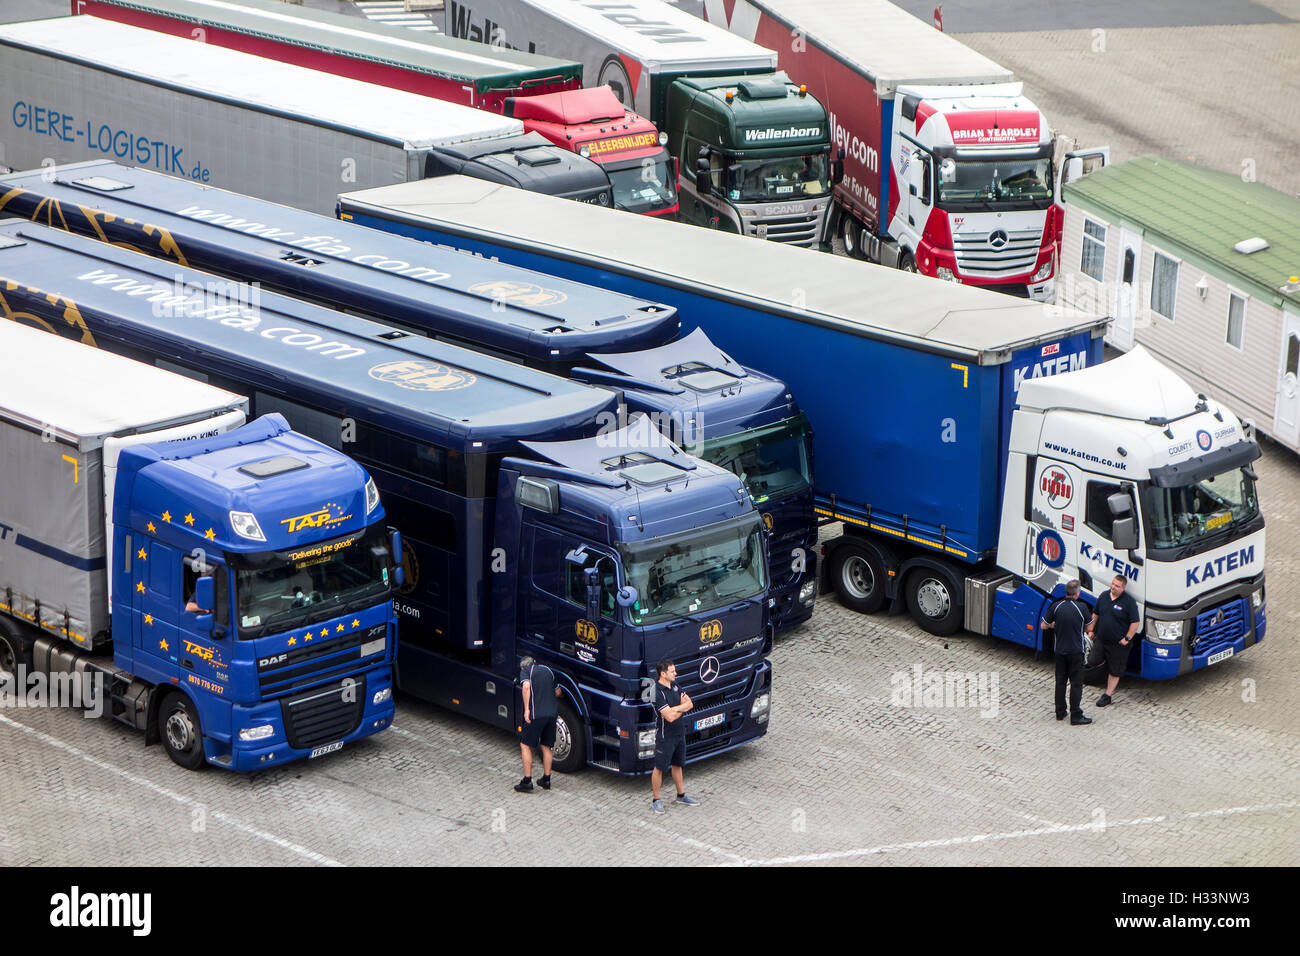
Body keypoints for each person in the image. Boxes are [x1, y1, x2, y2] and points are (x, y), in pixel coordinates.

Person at [650, 659, 699, 813]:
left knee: (678, 765)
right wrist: (681, 709)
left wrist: (675, 709)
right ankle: (656, 799)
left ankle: (681, 795)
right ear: (663, 674)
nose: (675, 673)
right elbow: (668, 717)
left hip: (679, 733)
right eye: (672, 671)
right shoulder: (656, 692)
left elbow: (690, 704)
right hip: (665, 736)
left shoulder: (675, 686)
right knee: (659, 768)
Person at [1041, 580, 1092, 725]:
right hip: (1076, 651)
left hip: (1060, 651)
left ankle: (1060, 712)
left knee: (1060, 682)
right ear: (1077, 593)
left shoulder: (1056, 606)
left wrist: (1054, 624)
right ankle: (1076, 715)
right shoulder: (1081, 607)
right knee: (1076, 683)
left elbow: (1043, 625)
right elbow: (1089, 628)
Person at [1087, 574, 1141, 706]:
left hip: (1118, 644)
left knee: (1115, 671)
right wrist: (1091, 630)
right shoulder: (1104, 596)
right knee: (1092, 660)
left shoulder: (1129, 602)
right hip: (1101, 639)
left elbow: (1135, 622)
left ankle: (1107, 695)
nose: (1113, 587)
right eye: (1112, 584)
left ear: (1123, 588)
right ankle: (1105, 664)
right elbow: (1096, 614)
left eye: (1117, 586)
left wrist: (1127, 638)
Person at [514, 655, 562, 793]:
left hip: (536, 715)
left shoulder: (526, 671)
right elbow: (558, 692)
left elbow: (526, 687)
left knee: (525, 744)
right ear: (535, 661)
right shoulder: (547, 670)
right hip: (552, 714)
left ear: (523, 666)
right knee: (547, 746)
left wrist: (527, 710)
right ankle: (546, 779)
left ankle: (527, 781)